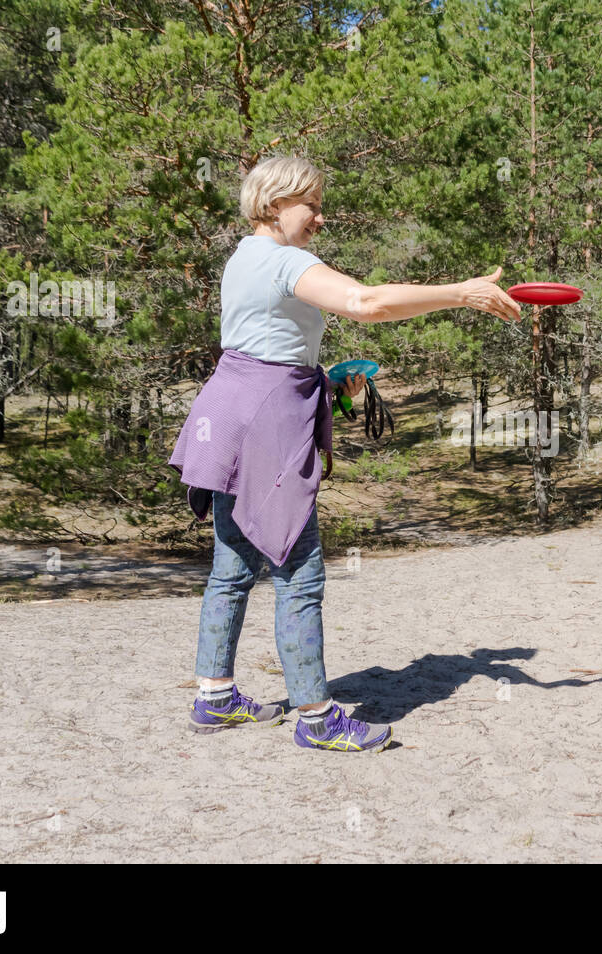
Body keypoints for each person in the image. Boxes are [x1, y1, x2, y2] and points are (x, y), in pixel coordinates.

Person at [168, 155, 521, 752]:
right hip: (262, 427)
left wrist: (328, 383)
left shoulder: (243, 258)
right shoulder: (284, 259)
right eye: (312, 204)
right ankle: (317, 718)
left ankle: (215, 696)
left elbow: (264, 351)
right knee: (298, 572)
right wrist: (462, 294)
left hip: (228, 412)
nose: (320, 217)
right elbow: (365, 302)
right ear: (276, 203)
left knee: (231, 569)